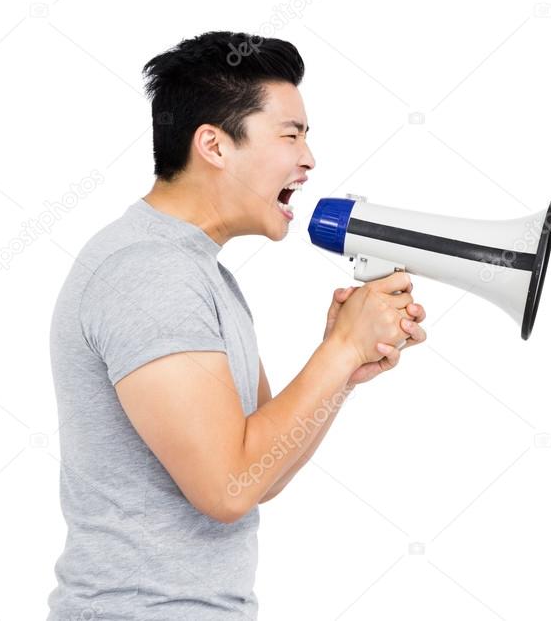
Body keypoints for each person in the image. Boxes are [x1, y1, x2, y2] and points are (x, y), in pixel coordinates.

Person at [47, 31, 427, 619]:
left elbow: (262, 475)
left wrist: (345, 365)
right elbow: (228, 488)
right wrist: (341, 348)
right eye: (290, 134)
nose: (308, 159)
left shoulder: (202, 274)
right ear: (215, 146)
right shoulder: (150, 272)